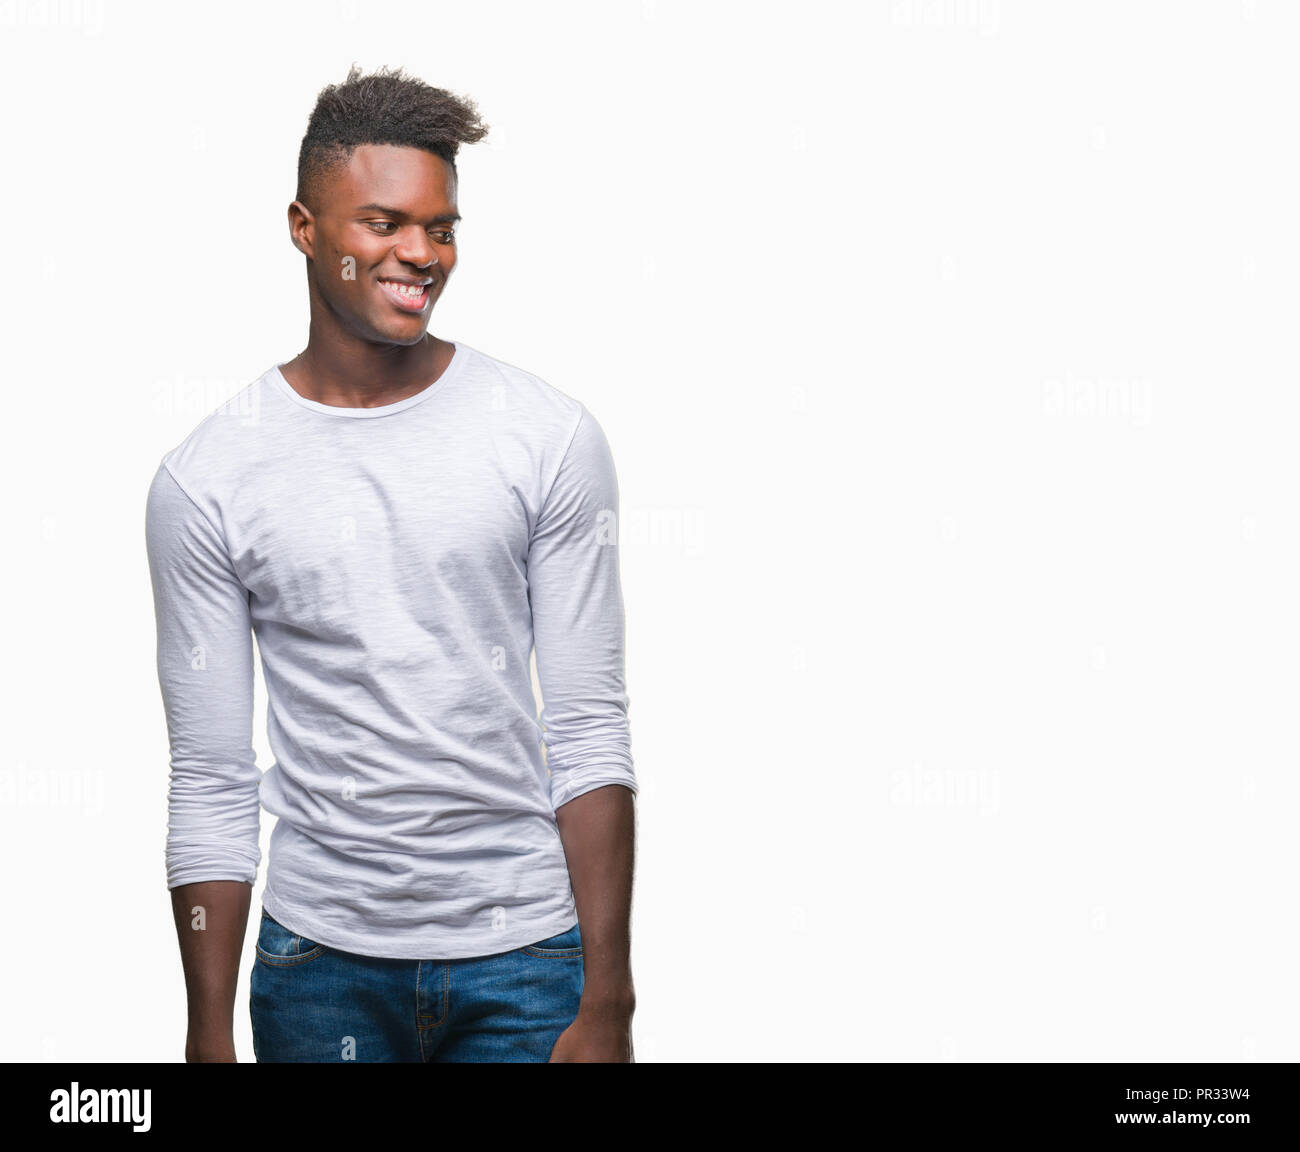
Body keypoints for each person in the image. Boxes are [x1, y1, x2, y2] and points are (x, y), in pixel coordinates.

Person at [144, 65, 637, 1063]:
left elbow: (587, 730)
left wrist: (610, 999)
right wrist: (205, 1034)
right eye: (382, 222)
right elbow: (209, 772)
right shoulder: (208, 479)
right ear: (303, 227)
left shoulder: (545, 436)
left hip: (526, 954)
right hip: (317, 962)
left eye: (440, 226)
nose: (420, 252)